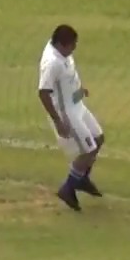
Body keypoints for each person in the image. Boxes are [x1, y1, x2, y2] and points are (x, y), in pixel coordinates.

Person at [37, 24, 104, 212]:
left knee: (99, 139)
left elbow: (67, 78)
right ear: (61, 45)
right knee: (87, 150)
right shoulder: (52, 63)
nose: (74, 49)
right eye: (72, 45)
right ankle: (68, 188)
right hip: (67, 114)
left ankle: (81, 179)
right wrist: (58, 121)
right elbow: (43, 92)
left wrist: (79, 91)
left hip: (77, 105)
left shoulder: (62, 54)